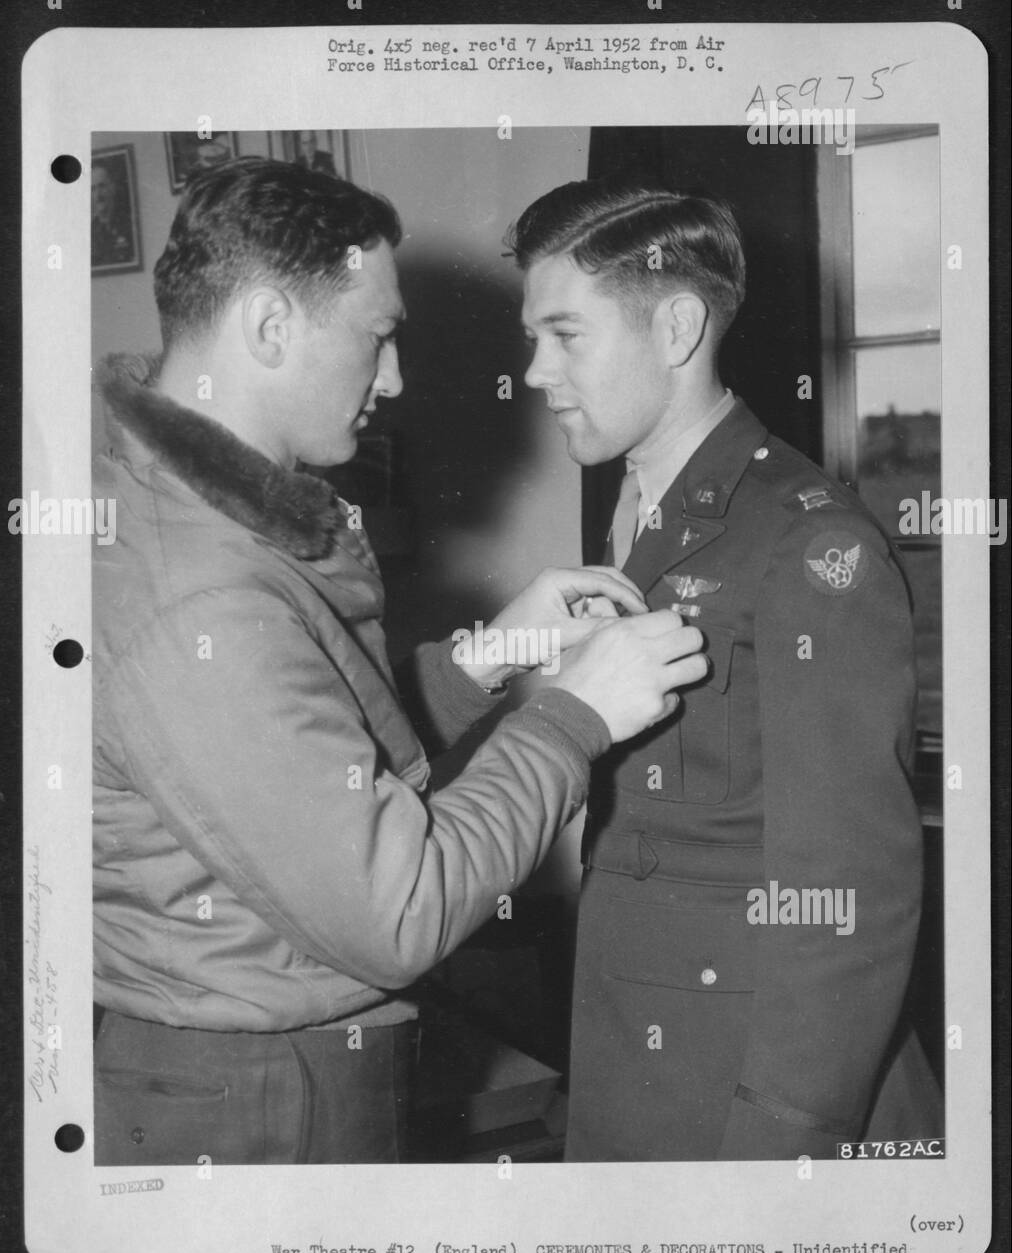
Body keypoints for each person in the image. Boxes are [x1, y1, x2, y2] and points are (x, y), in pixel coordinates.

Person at [91, 157, 707, 1166]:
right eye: (377, 337)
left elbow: (307, 754)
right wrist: (570, 715)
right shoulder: (199, 591)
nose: (394, 379)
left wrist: (495, 651)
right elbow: (398, 905)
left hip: (258, 1065)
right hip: (257, 1100)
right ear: (268, 327)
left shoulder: (187, 514)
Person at [512, 176, 943, 1161]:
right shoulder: (644, 511)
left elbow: (846, 892)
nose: (535, 370)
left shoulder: (806, 542)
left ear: (673, 327)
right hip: (643, 1058)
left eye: (565, 334)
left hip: (747, 1091)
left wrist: (781, 1142)